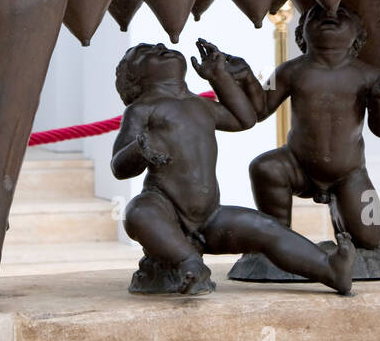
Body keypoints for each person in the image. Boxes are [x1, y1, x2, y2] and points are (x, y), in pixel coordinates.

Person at [112, 39, 354, 295]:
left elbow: (244, 118)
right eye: (144, 51)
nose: (160, 45)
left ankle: (331, 270)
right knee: (138, 212)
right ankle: (190, 264)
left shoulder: (201, 105)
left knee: (267, 228)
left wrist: (219, 76)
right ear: (134, 77)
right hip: (165, 206)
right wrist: (139, 148)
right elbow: (119, 166)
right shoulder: (142, 110)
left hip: (210, 216)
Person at [216, 3, 380, 251]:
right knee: (265, 168)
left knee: (369, 239)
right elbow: (260, 109)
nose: (330, 15)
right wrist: (246, 77)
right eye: (316, 15)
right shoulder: (291, 71)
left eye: (342, 14)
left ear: (358, 35)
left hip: (348, 172)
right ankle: (277, 238)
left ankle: (342, 219)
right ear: (302, 33)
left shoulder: (368, 76)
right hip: (297, 165)